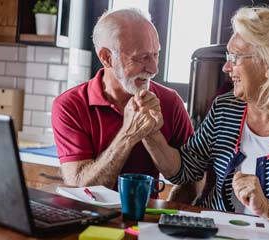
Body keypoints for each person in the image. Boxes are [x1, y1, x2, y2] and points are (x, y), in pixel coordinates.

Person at [140, 6, 269, 225]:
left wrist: (268, 208)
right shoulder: (225, 109)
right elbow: (184, 171)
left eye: (235, 57)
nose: (226, 67)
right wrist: (151, 133)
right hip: (214, 231)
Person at [51, 8, 196, 198]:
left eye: (155, 54)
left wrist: (168, 214)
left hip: (145, 223)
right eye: (141, 57)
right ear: (106, 57)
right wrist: (129, 134)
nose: (154, 69)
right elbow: (81, 188)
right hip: (90, 221)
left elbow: (193, 177)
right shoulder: (70, 105)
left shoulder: (170, 101)